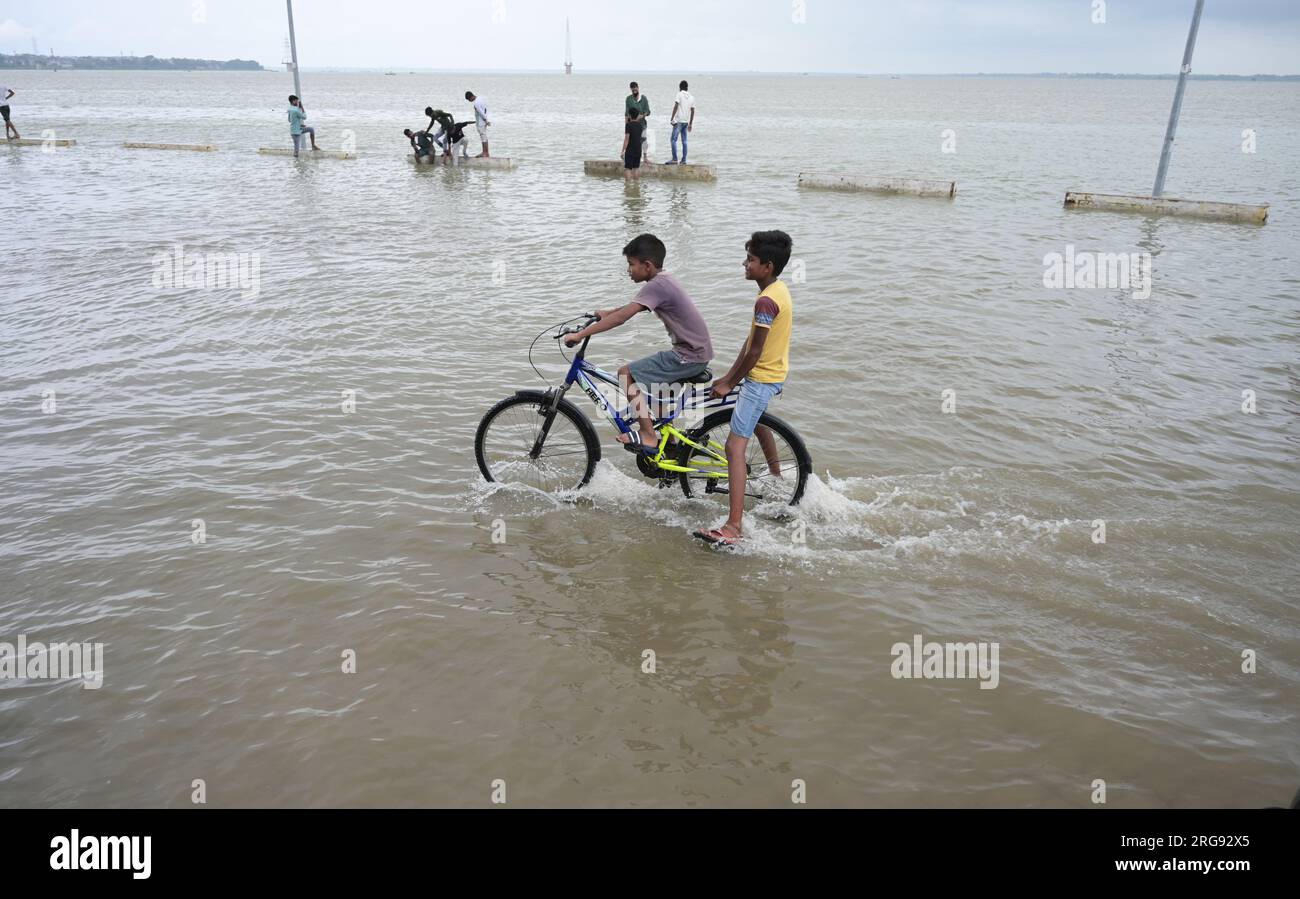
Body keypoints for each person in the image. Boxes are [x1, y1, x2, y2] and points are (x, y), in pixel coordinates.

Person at [564, 234, 713, 453]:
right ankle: (668, 442)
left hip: (688, 355)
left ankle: (647, 434)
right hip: (695, 353)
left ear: (647, 265)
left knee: (625, 374)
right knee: (657, 391)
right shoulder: (663, 280)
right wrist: (606, 312)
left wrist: (580, 335)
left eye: (631, 265)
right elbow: (632, 307)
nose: (629, 270)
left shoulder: (656, 285)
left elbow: (622, 317)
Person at [693, 230, 794, 546]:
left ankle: (734, 526)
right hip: (771, 374)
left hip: (761, 379)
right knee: (759, 423)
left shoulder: (766, 301)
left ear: (768, 265)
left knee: (733, 448)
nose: (744, 264)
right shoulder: (778, 290)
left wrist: (731, 383)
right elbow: (751, 343)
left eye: (750, 259)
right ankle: (777, 479)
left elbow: (754, 352)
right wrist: (726, 379)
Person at [665, 80, 695, 165]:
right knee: (684, 141)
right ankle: (684, 160)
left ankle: (674, 159)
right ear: (687, 87)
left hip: (678, 121)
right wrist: (691, 123)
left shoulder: (679, 94)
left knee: (673, 140)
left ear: (680, 87)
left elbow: (676, 106)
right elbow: (693, 111)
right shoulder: (691, 97)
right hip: (686, 122)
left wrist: (672, 118)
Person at [625, 81, 649, 160]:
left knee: (644, 141)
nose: (634, 90)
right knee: (632, 143)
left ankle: (645, 157)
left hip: (642, 124)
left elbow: (648, 111)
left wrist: (641, 116)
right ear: (631, 89)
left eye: (635, 88)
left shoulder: (643, 98)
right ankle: (633, 157)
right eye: (632, 88)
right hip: (632, 125)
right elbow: (627, 113)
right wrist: (626, 125)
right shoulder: (628, 99)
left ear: (638, 88)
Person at [465, 91, 491, 157]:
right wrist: (486, 120)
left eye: (469, 100)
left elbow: (481, 112)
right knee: (484, 137)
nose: (469, 101)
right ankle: (485, 152)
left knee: (483, 137)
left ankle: (485, 153)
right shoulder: (480, 98)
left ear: (471, 97)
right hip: (483, 121)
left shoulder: (476, 103)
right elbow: (485, 109)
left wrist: (486, 120)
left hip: (481, 122)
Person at [622, 108, 645, 181]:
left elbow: (626, 139)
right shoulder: (640, 126)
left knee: (628, 168)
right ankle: (636, 185)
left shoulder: (628, 125)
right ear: (637, 116)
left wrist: (623, 151)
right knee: (636, 168)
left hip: (630, 150)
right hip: (638, 149)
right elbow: (642, 139)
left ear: (629, 115)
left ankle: (628, 186)